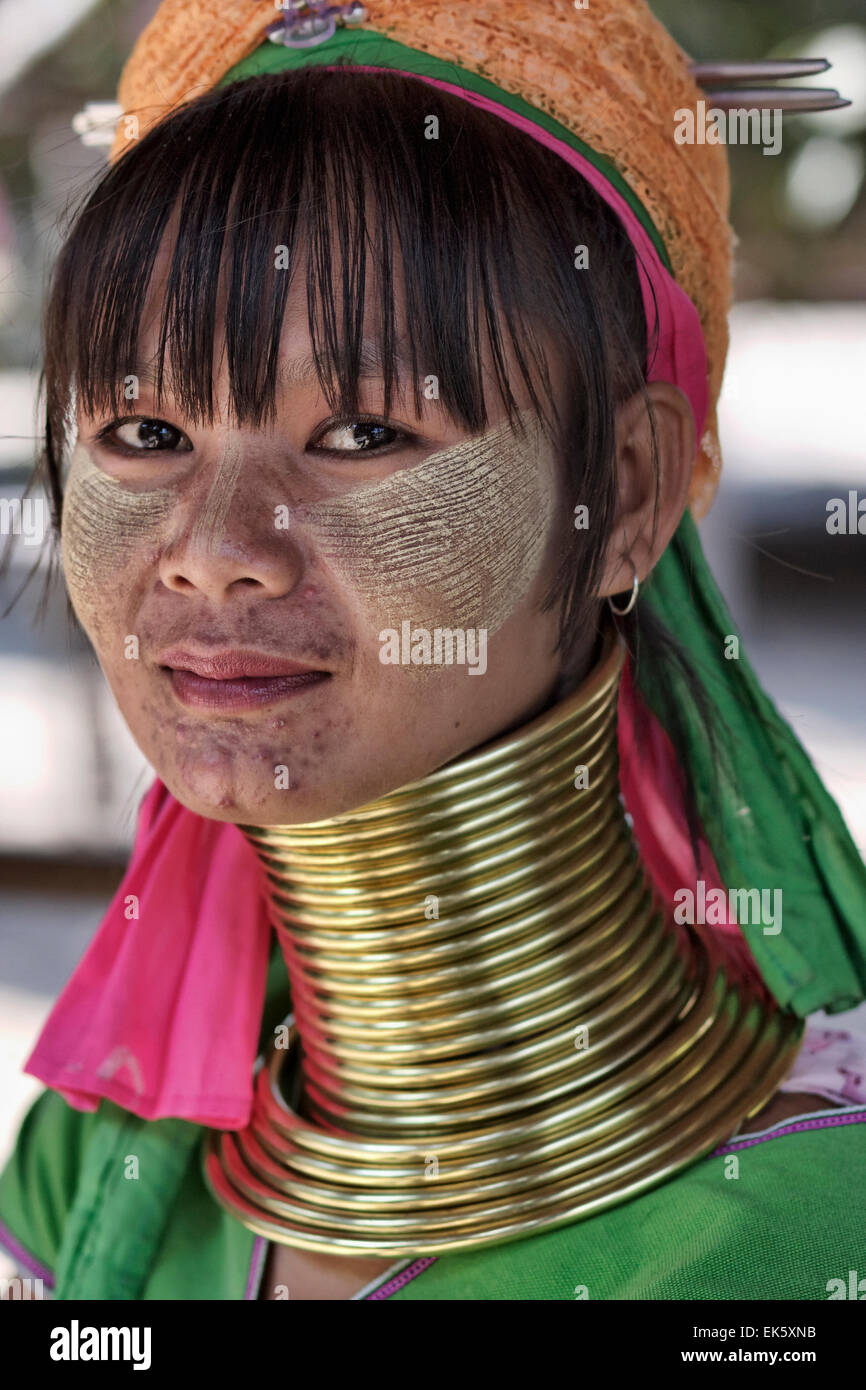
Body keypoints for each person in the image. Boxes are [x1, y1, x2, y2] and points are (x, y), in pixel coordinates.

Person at [1, 0, 865, 1302]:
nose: (215, 548)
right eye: (144, 431)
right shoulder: (91, 1162)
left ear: (623, 493)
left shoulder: (800, 1235)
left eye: (358, 432)